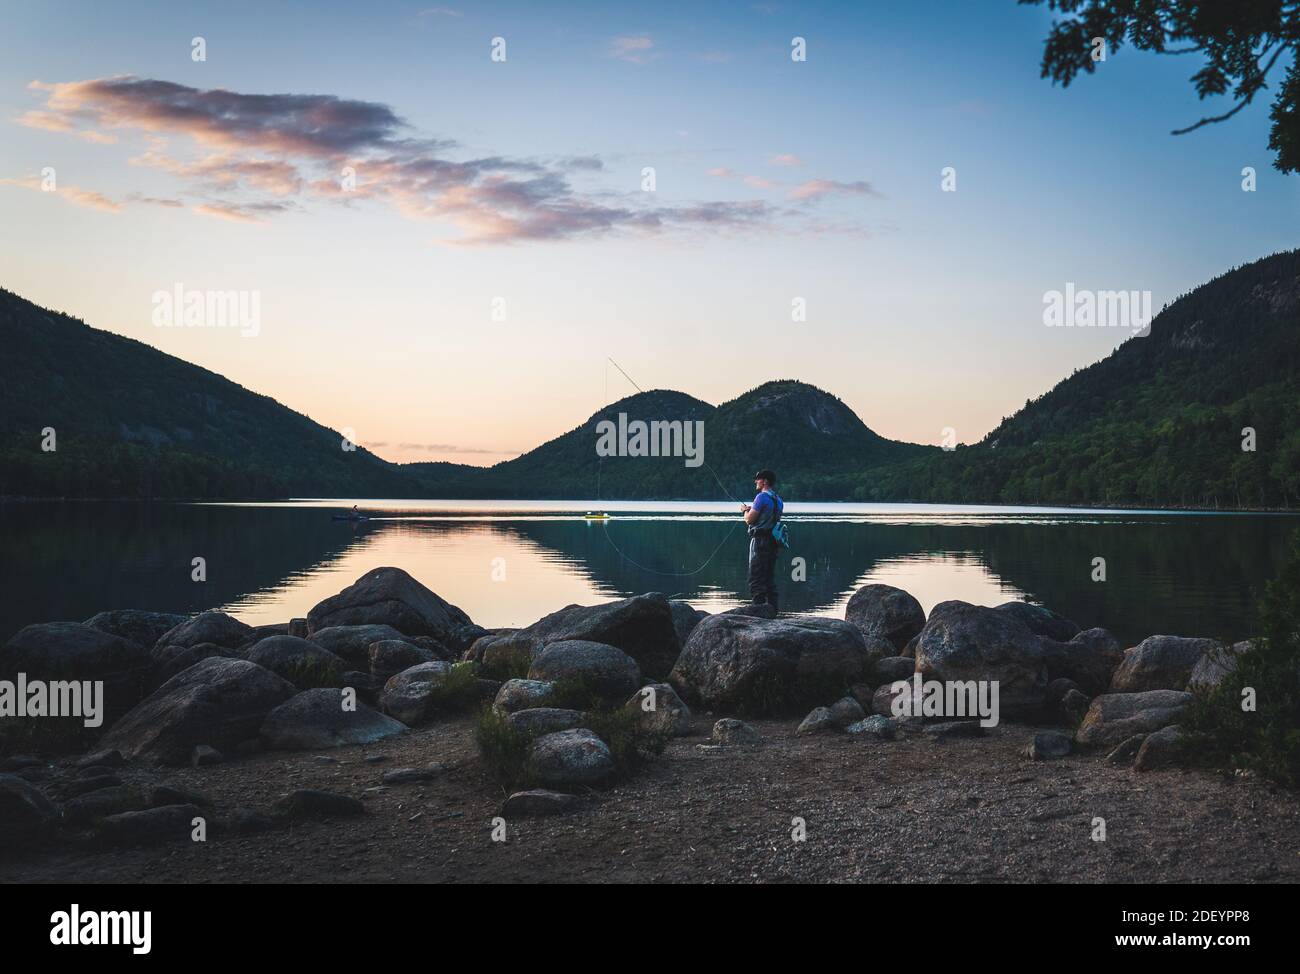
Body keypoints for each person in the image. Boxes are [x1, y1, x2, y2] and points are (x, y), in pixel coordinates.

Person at [740, 469, 783, 613]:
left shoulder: (761, 497)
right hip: (773, 542)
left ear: (765, 481)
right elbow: (768, 516)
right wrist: (753, 509)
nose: (755, 481)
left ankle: (759, 612)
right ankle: (773, 610)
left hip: (760, 541)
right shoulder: (778, 499)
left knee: (756, 578)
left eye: (758, 479)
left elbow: (749, 520)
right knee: (769, 578)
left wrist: (745, 511)